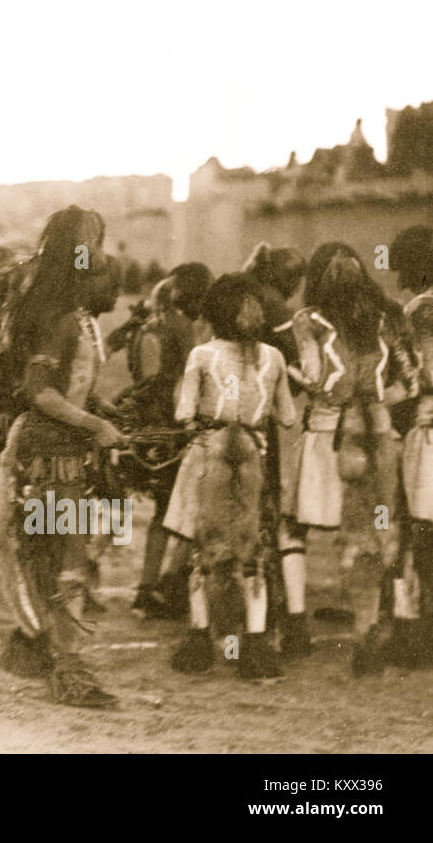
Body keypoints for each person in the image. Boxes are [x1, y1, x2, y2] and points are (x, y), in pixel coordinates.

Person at [0, 205, 123, 707]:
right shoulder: (64, 322)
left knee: (57, 548)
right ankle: (67, 666)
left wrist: (102, 410)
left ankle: (36, 645)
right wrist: (95, 424)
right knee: (64, 552)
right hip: (49, 448)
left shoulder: (82, 323)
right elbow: (40, 391)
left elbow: (67, 387)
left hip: (64, 447)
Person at [278, 243, 417, 673]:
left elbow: (317, 378)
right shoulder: (388, 315)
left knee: (293, 527)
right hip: (379, 439)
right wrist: (375, 400)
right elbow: (410, 383)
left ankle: (297, 622)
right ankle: (374, 630)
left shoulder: (308, 320)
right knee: (377, 533)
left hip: (327, 439)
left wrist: (287, 373)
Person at [162, 274, 298, 678]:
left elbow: (184, 414)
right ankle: (254, 647)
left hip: (209, 457)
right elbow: (288, 417)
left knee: (205, 552)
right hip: (254, 458)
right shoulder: (273, 357)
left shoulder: (201, 355)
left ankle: (200, 640)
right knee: (253, 554)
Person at [110, 262, 212, 619]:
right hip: (173, 427)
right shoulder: (184, 330)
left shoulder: (144, 328)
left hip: (147, 429)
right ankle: (170, 584)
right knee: (187, 509)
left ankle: (148, 587)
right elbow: (176, 385)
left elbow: (144, 382)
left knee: (161, 511)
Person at [381, 226, 433, 667]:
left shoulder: (413, 313)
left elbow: (409, 381)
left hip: (424, 432)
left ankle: (411, 634)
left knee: (413, 533)